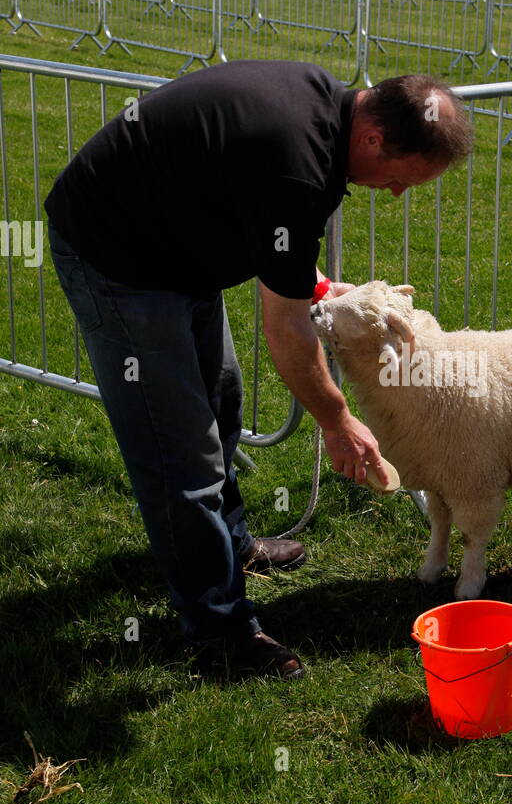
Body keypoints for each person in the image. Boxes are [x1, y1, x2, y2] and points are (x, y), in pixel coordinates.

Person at [45, 63, 473, 680]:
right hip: (118, 259)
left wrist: (317, 285)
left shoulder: (329, 117)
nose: (397, 193)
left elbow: (274, 242)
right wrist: (337, 419)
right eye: (401, 178)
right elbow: (288, 332)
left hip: (176, 252)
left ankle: (229, 546)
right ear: (374, 139)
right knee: (178, 452)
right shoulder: (297, 158)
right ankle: (219, 631)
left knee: (221, 400)